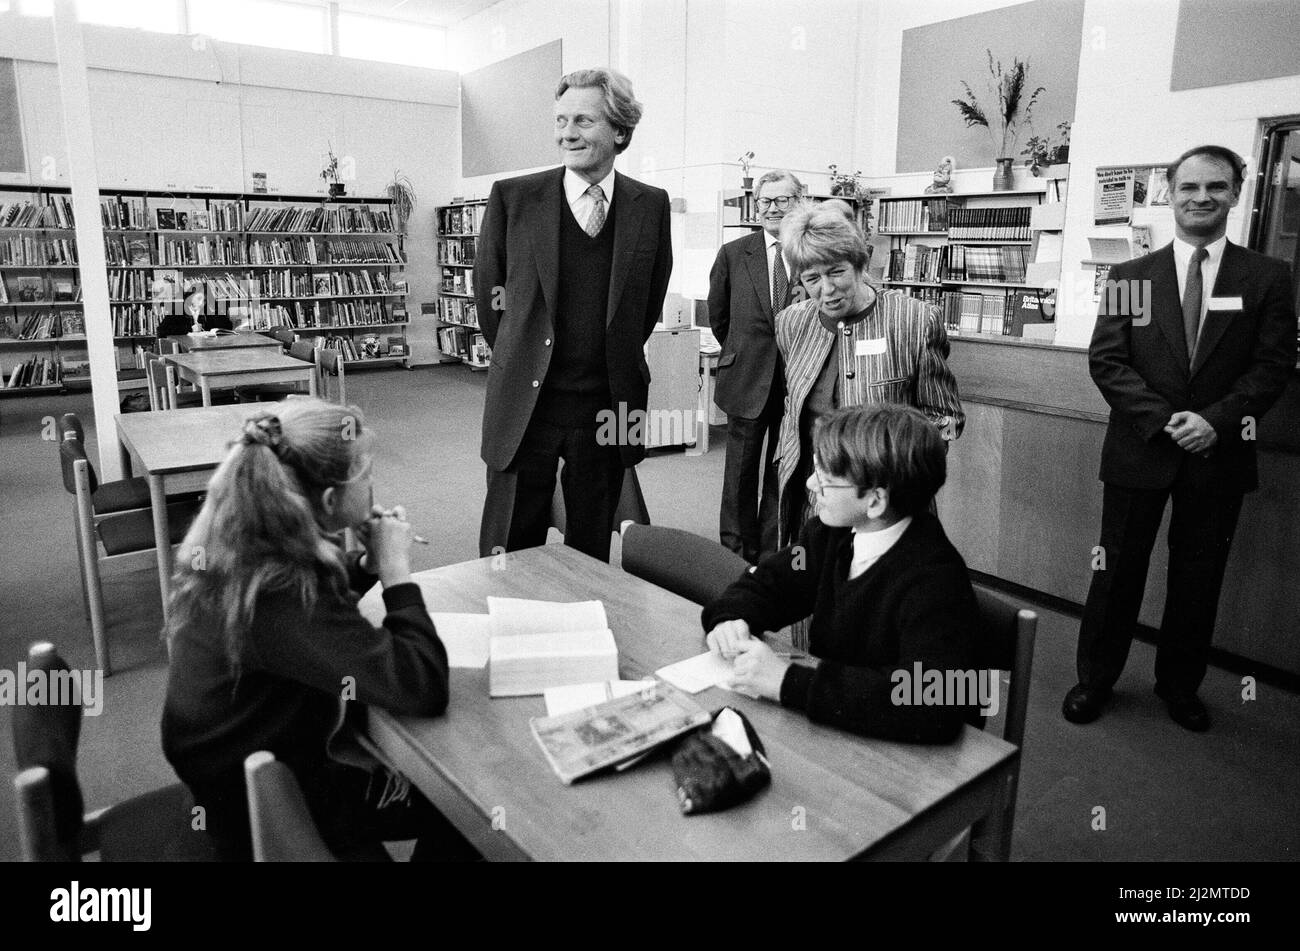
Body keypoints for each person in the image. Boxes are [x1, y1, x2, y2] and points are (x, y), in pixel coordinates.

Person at [161, 400, 476, 861]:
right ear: (330, 501)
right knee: (465, 813)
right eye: (366, 476)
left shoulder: (248, 545)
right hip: (265, 809)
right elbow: (421, 683)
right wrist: (395, 573)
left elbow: (308, 610)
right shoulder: (285, 590)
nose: (373, 485)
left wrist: (365, 564)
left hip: (232, 772)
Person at [1063, 145, 1298, 732]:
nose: (1201, 198)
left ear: (1236, 193)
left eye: (1215, 187)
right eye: (1189, 187)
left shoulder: (1266, 277)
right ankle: (1094, 680)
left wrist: (1213, 422)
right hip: (1140, 450)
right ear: (1170, 192)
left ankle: (1179, 686)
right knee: (1114, 571)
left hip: (1216, 455)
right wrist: (1167, 420)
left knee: (1199, 578)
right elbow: (1108, 360)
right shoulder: (1130, 276)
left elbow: (1270, 368)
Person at [474, 67, 673, 562]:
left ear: (620, 131)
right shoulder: (514, 197)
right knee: (509, 549)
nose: (566, 133)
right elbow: (490, 296)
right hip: (526, 402)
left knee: (590, 549)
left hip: (607, 407)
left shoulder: (651, 205)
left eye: (583, 120)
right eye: (561, 120)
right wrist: (520, 356)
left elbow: (648, 300)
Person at [701, 404, 982, 743]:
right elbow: (773, 582)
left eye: (826, 480)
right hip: (839, 733)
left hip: (907, 763)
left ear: (875, 501)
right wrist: (732, 617)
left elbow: (928, 703)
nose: (809, 484)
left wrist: (787, 681)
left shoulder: (935, 582)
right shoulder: (830, 536)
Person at [773, 204, 963, 552]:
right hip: (814, 499)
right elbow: (793, 408)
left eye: (836, 272)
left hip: (888, 507)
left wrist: (897, 481)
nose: (826, 290)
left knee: (881, 599)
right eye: (812, 279)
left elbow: (944, 419)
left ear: (860, 264)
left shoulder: (914, 321)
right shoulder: (790, 323)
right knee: (814, 593)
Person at [707, 169, 805, 563]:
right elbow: (720, 318)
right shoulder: (733, 254)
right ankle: (734, 556)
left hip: (798, 383)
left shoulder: (809, 251)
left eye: (782, 201)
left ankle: (769, 554)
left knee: (782, 473)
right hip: (746, 379)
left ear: (798, 203)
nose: (772, 209)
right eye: (765, 201)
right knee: (740, 477)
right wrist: (743, 354)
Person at [156, 280, 232, 339]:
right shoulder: (179, 310)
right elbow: (161, 331)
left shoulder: (207, 309)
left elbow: (228, 327)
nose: (201, 303)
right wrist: (189, 329)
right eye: (199, 299)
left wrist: (214, 308)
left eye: (205, 300)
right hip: (184, 349)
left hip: (206, 347)